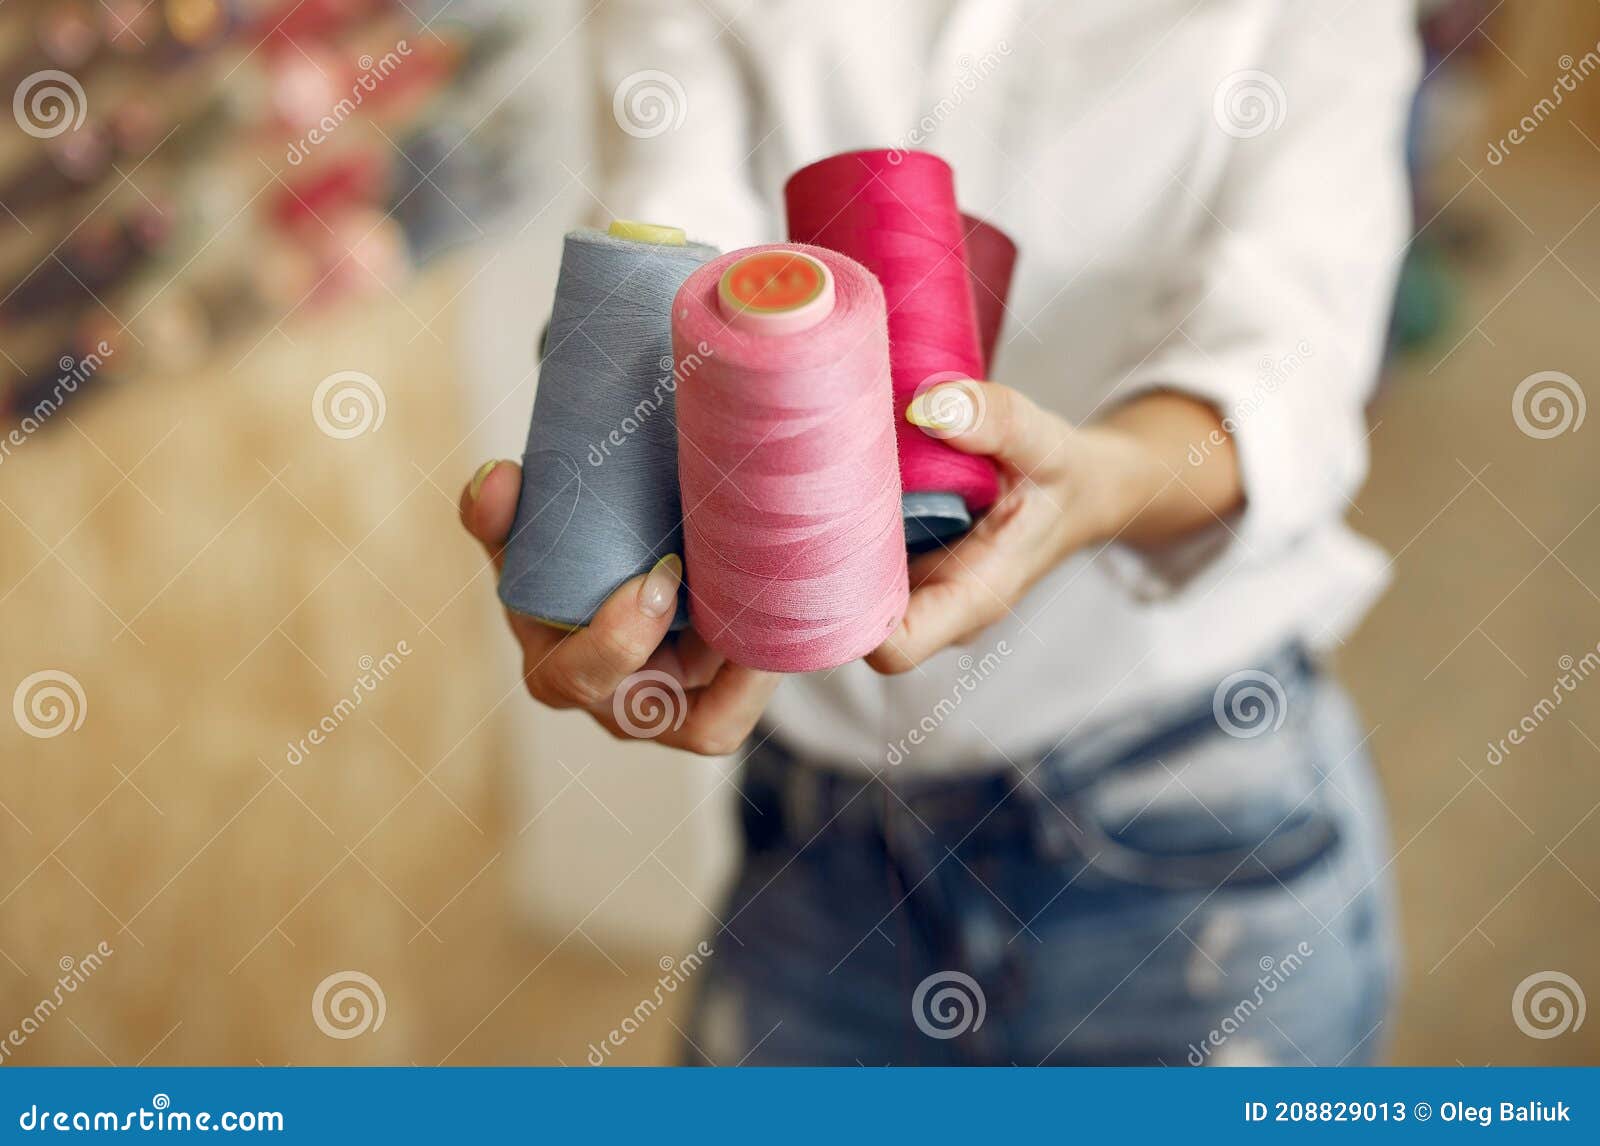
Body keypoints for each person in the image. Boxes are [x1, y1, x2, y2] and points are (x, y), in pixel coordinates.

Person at [460, 0, 1418, 1065]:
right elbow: (674, 255)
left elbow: (1287, 370)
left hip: (1183, 823)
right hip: (817, 831)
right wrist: (614, 529)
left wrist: (1091, 484)